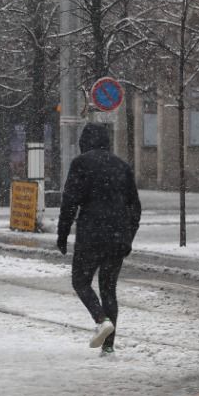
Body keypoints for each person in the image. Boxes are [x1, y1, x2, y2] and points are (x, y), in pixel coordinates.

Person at [58, 123, 142, 355]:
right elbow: (135, 206)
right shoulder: (122, 165)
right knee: (108, 288)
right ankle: (108, 346)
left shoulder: (81, 164)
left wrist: (62, 234)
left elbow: (69, 202)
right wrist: (128, 236)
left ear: (85, 143)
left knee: (81, 281)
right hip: (117, 236)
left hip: (91, 234)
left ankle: (100, 319)